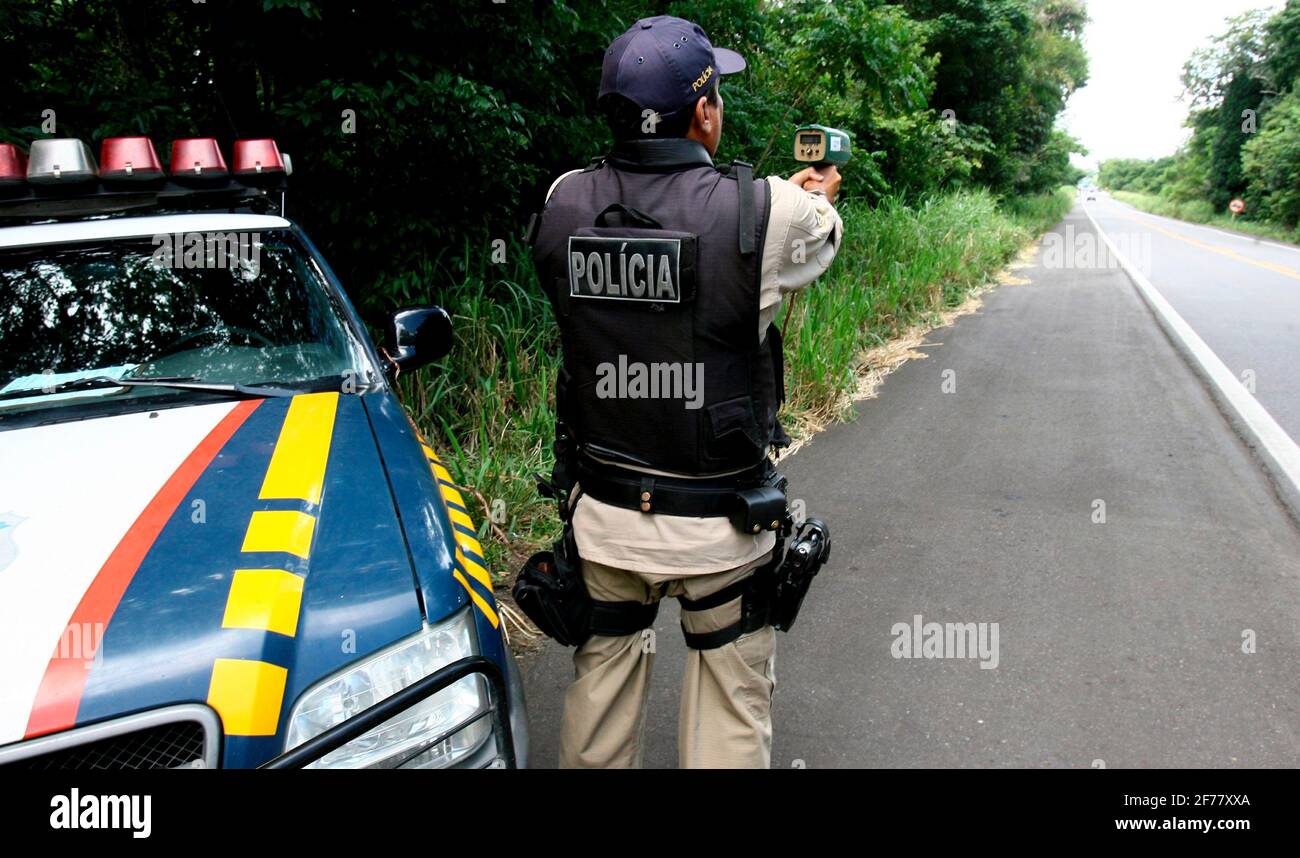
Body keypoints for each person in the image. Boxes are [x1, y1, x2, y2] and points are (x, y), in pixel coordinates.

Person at [526, 14, 842, 769]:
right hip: (717, 529)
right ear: (703, 111)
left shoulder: (563, 198)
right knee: (730, 705)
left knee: (598, 705)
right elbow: (821, 239)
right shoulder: (765, 207)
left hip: (604, 513)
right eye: (717, 96)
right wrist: (818, 193)